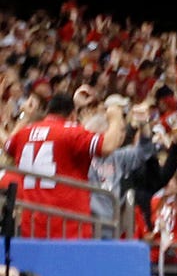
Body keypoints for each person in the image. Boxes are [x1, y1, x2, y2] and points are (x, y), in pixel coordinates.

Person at [5, 89, 106, 238]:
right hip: (69, 228)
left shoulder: (24, 133)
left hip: (32, 226)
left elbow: (8, 145)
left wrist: (25, 117)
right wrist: (115, 114)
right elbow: (107, 145)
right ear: (72, 115)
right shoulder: (71, 132)